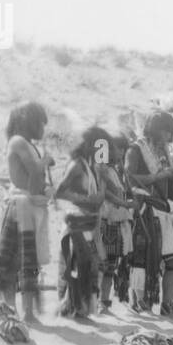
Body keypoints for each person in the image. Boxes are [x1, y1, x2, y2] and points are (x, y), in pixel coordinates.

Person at [0, 102, 54, 323]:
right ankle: (10, 308)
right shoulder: (18, 141)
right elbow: (34, 172)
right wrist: (45, 161)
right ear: (29, 121)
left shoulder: (28, 144)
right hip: (21, 206)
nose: (43, 130)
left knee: (30, 262)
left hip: (32, 206)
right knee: (13, 261)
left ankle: (27, 313)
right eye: (40, 123)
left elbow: (37, 180)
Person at [125, 111, 173, 316]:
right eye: (167, 132)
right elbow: (130, 179)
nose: (170, 138)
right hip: (144, 210)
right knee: (142, 260)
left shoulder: (164, 152)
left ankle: (167, 304)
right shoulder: (135, 149)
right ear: (157, 130)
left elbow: (168, 185)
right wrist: (159, 175)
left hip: (163, 211)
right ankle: (139, 303)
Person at [54, 126, 115, 319]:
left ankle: (77, 310)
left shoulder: (91, 166)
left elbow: (100, 198)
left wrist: (103, 179)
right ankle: (73, 310)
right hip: (76, 220)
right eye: (100, 147)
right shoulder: (77, 165)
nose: (102, 152)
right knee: (78, 265)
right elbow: (60, 192)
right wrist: (86, 201)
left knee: (87, 266)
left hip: (88, 223)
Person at [96, 134, 135, 312]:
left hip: (115, 223)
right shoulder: (101, 168)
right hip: (104, 221)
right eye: (117, 148)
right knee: (101, 265)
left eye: (122, 150)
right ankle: (94, 301)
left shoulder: (114, 171)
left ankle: (104, 301)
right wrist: (125, 204)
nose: (120, 152)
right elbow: (105, 193)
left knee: (111, 265)